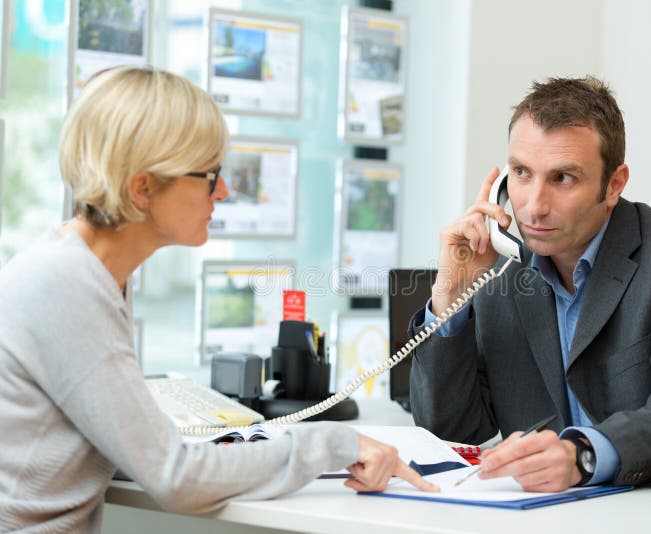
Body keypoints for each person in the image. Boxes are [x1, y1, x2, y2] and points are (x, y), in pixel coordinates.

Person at [0, 66, 436, 533]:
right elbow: (174, 477)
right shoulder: (67, 286)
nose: (224, 192)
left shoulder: (90, 273)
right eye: (210, 176)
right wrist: (337, 444)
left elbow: (133, 451)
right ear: (143, 188)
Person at [409, 76, 651, 492]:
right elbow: (452, 431)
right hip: (560, 514)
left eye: (563, 178)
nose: (534, 206)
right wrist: (450, 297)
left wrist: (582, 454)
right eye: (522, 173)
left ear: (613, 185)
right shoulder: (501, 273)